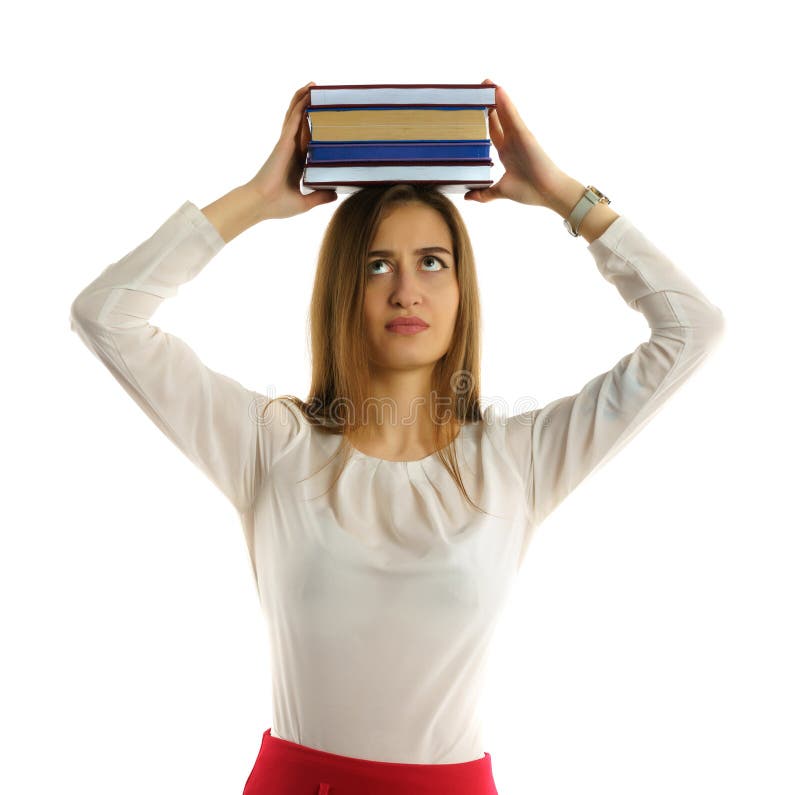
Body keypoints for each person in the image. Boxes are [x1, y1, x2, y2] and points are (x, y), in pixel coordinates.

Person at [69, 79, 725, 795]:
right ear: (342, 287)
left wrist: (565, 194)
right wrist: (257, 199)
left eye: (432, 262)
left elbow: (692, 329)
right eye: (377, 264)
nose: (405, 290)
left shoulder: (518, 460)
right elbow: (106, 315)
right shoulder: (272, 446)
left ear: (460, 290)